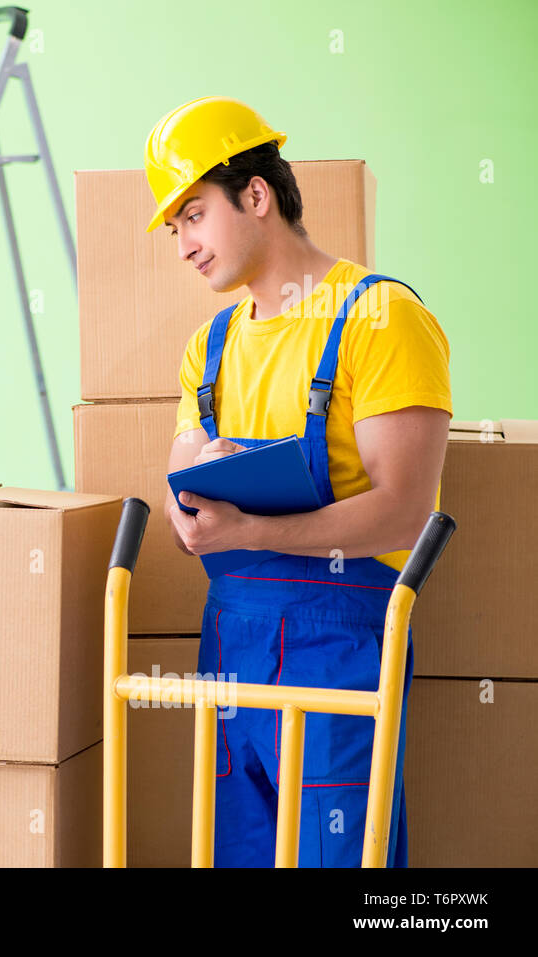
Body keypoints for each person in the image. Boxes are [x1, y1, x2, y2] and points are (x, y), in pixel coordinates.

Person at [146, 96, 452, 866]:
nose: (183, 244)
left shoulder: (378, 317)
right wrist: (191, 510)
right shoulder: (208, 346)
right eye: (175, 227)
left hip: (335, 645)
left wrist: (250, 531)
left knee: (335, 857)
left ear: (256, 195)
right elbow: (183, 470)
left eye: (192, 215)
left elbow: (405, 515)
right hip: (230, 641)